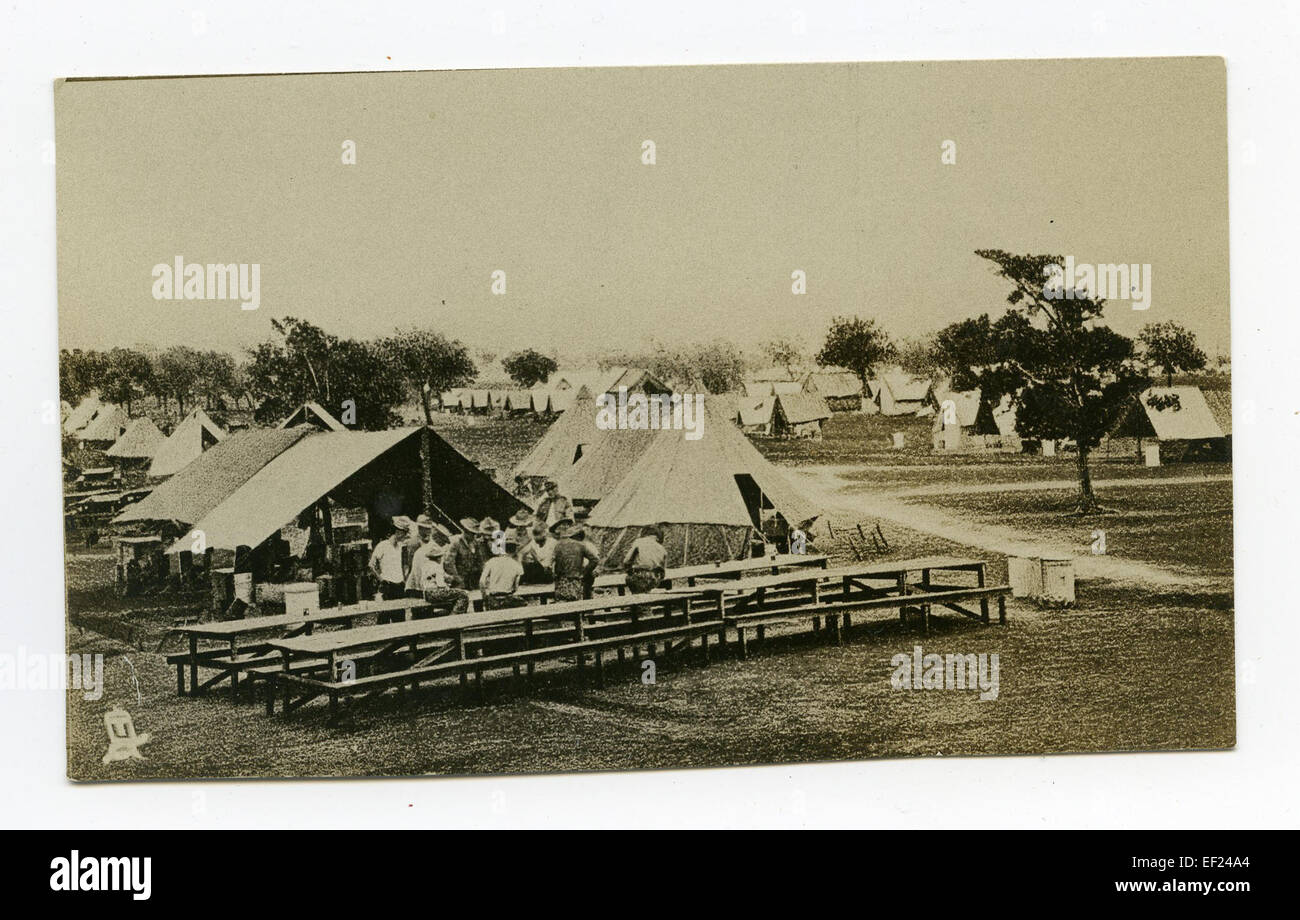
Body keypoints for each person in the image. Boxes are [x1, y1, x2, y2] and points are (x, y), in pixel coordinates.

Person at [415, 540, 470, 617]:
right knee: (463, 594)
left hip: (427, 593)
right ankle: (456, 616)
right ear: (438, 558)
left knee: (452, 600)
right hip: (436, 592)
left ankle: (449, 614)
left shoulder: (425, 566)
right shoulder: (437, 567)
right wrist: (448, 587)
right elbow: (441, 584)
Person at [550, 520, 600, 602]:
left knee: (564, 604)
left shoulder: (559, 545)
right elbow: (595, 560)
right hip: (576, 579)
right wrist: (584, 573)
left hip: (562, 580)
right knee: (576, 602)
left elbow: (549, 564)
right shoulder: (581, 545)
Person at [368, 524, 408, 623]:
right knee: (384, 617)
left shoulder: (401, 546)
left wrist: (404, 578)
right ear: (398, 532)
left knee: (399, 617)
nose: (404, 536)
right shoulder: (383, 545)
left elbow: (403, 564)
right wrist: (381, 579)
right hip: (387, 586)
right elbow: (371, 565)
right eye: (403, 533)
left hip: (399, 585)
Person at [479, 534, 526, 610]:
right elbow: (516, 587)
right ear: (515, 550)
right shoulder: (516, 565)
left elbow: (481, 581)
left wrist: (485, 598)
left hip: (493, 599)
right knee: (523, 605)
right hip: (507, 598)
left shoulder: (491, 561)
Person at [624, 524, 667, 594]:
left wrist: (629, 571)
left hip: (640, 576)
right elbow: (663, 572)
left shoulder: (638, 542)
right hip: (655, 579)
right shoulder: (662, 549)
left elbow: (626, 561)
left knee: (631, 581)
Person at [443, 516, 484, 590]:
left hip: (471, 580)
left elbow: (479, 561)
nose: (474, 536)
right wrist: (457, 579)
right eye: (472, 534)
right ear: (466, 531)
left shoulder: (475, 543)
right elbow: (449, 563)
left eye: (475, 534)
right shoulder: (456, 542)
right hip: (458, 580)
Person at [404, 514, 437, 599]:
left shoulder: (429, 541)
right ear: (419, 528)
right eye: (426, 528)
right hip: (417, 582)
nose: (428, 531)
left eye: (429, 528)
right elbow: (412, 564)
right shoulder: (414, 543)